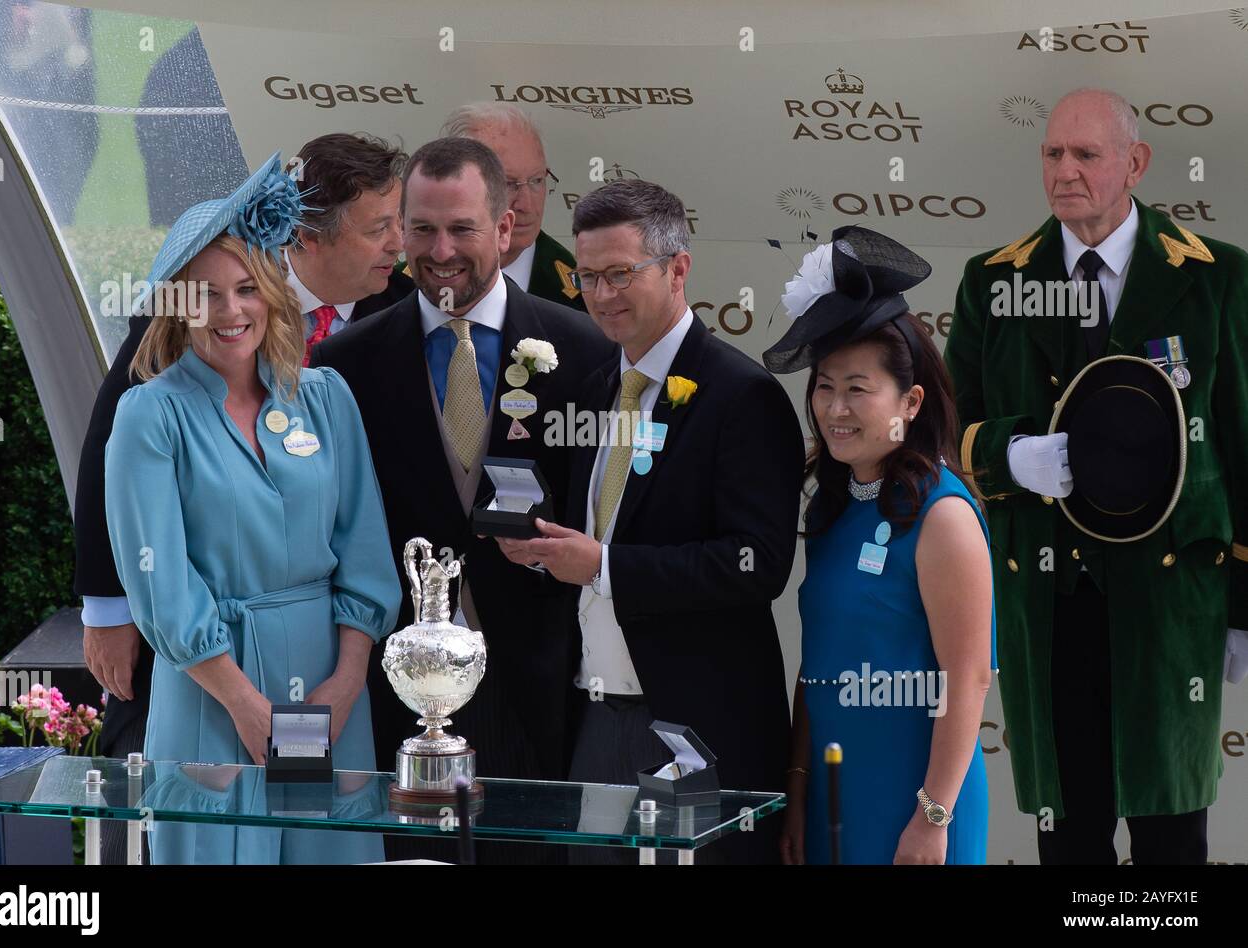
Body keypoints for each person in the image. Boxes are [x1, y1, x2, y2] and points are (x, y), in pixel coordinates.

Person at [75, 133, 410, 861]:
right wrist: (246, 705)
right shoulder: (149, 414)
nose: (231, 311)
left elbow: (365, 550)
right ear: (177, 306)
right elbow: (159, 581)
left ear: (271, 291)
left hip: (330, 692)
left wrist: (348, 679)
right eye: (208, 294)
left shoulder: (325, 398)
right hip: (212, 695)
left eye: (248, 288)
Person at [946, 87, 1248, 864]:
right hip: (1051, 600)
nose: (1066, 171)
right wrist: (1011, 454)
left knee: (1171, 828)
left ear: (1135, 163)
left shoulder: (1218, 279)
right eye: (1053, 153)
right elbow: (949, 430)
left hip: (1170, 597)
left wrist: (1243, 606)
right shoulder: (992, 281)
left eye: (1087, 154)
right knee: (1069, 836)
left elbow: (1244, 444)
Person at [311, 137, 614, 863]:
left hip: (538, 681)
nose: (439, 250)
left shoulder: (584, 350)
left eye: (462, 229)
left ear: (505, 230)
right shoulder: (343, 363)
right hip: (397, 690)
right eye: (421, 229)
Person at [497, 179, 803, 864]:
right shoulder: (593, 386)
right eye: (589, 277)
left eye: (621, 274)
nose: (603, 295)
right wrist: (541, 548)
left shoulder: (741, 394)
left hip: (691, 730)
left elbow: (759, 562)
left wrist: (604, 566)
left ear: (679, 268)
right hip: (594, 720)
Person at [763, 227, 996, 865]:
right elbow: (818, 667)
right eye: (824, 386)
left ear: (911, 401)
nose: (835, 408)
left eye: (858, 389)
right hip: (837, 797)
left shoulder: (943, 516)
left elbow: (968, 679)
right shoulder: (836, 507)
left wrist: (933, 817)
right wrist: (798, 785)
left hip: (917, 803)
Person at [439, 103, 586, 311]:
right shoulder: (399, 285)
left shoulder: (585, 296)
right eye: (507, 184)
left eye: (536, 180)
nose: (526, 204)